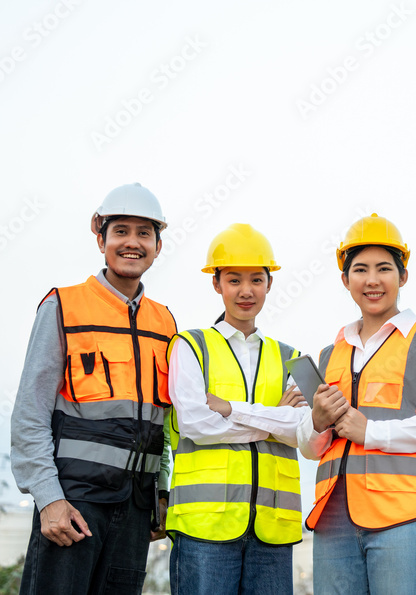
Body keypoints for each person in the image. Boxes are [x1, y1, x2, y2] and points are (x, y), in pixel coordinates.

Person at [11, 183, 176, 594]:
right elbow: (29, 415)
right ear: (100, 237)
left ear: (157, 244)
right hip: (74, 507)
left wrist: (161, 495)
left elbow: (165, 424)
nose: (132, 243)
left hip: (136, 513)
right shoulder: (63, 307)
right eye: (121, 231)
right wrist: (49, 499)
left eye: (144, 233)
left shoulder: (166, 324)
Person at [297, 214, 416, 595]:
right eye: (360, 269)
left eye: (384, 269)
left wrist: (373, 432)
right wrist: (316, 422)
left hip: (409, 517)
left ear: (403, 276)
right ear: (345, 280)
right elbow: (314, 450)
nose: (372, 280)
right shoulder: (331, 354)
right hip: (335, 518)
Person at [166, 224, 307, 595]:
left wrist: (230, 409)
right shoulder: (190, 347)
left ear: (269, 284)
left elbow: (305, 433)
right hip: (204, 529)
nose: (246, 291)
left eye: (256, 279)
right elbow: (196, 424)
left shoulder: (291, 357)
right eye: (234, 279)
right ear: (217, 284)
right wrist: (273, 415)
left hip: (272, 530)